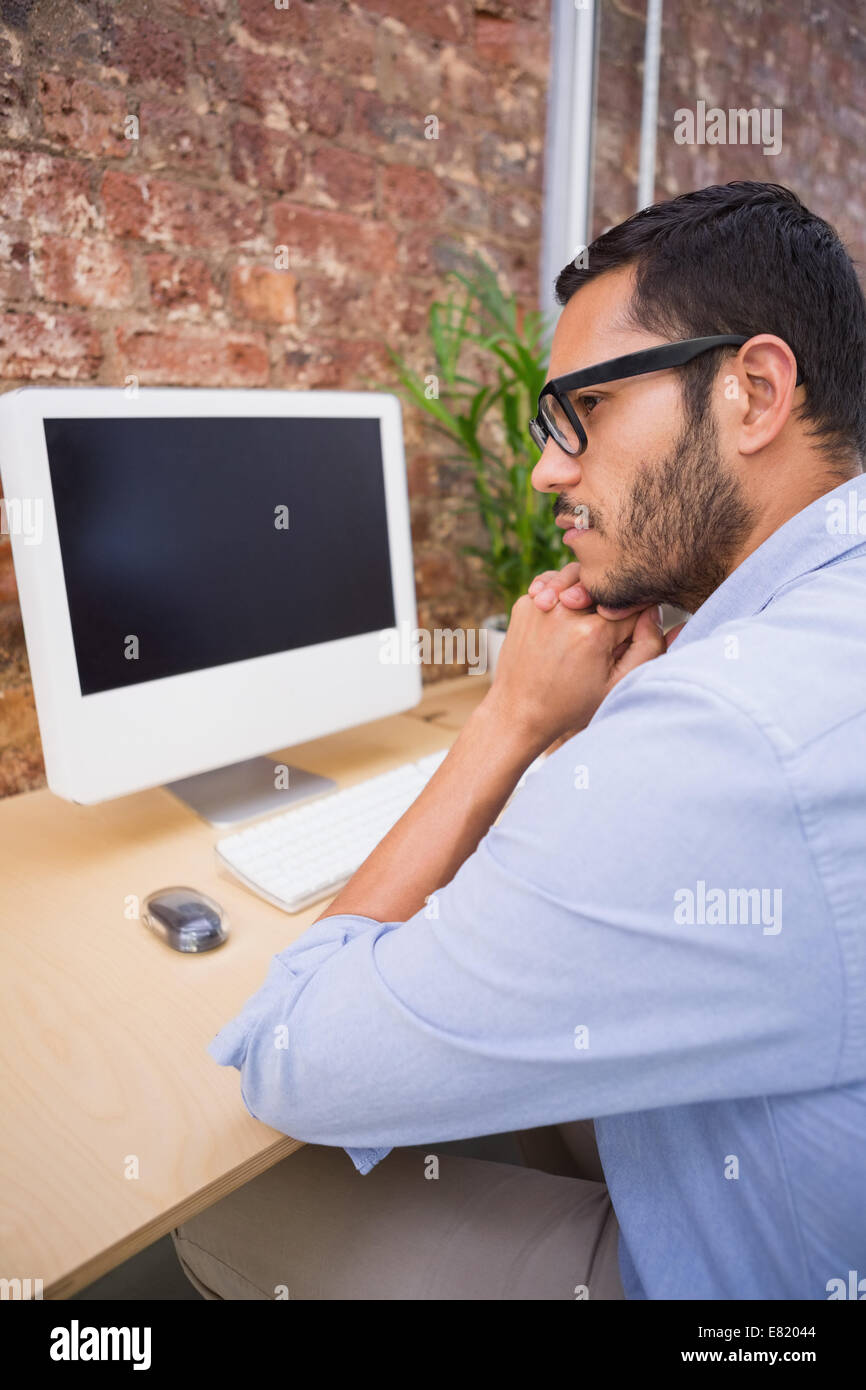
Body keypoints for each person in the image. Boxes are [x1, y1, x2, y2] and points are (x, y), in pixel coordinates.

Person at [173, 182, 866, 1300]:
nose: (547, 471)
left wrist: (508, 723)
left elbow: (288, 1051)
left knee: (234, 1203)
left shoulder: (726, 736)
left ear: (752, 390)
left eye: (579, 412)